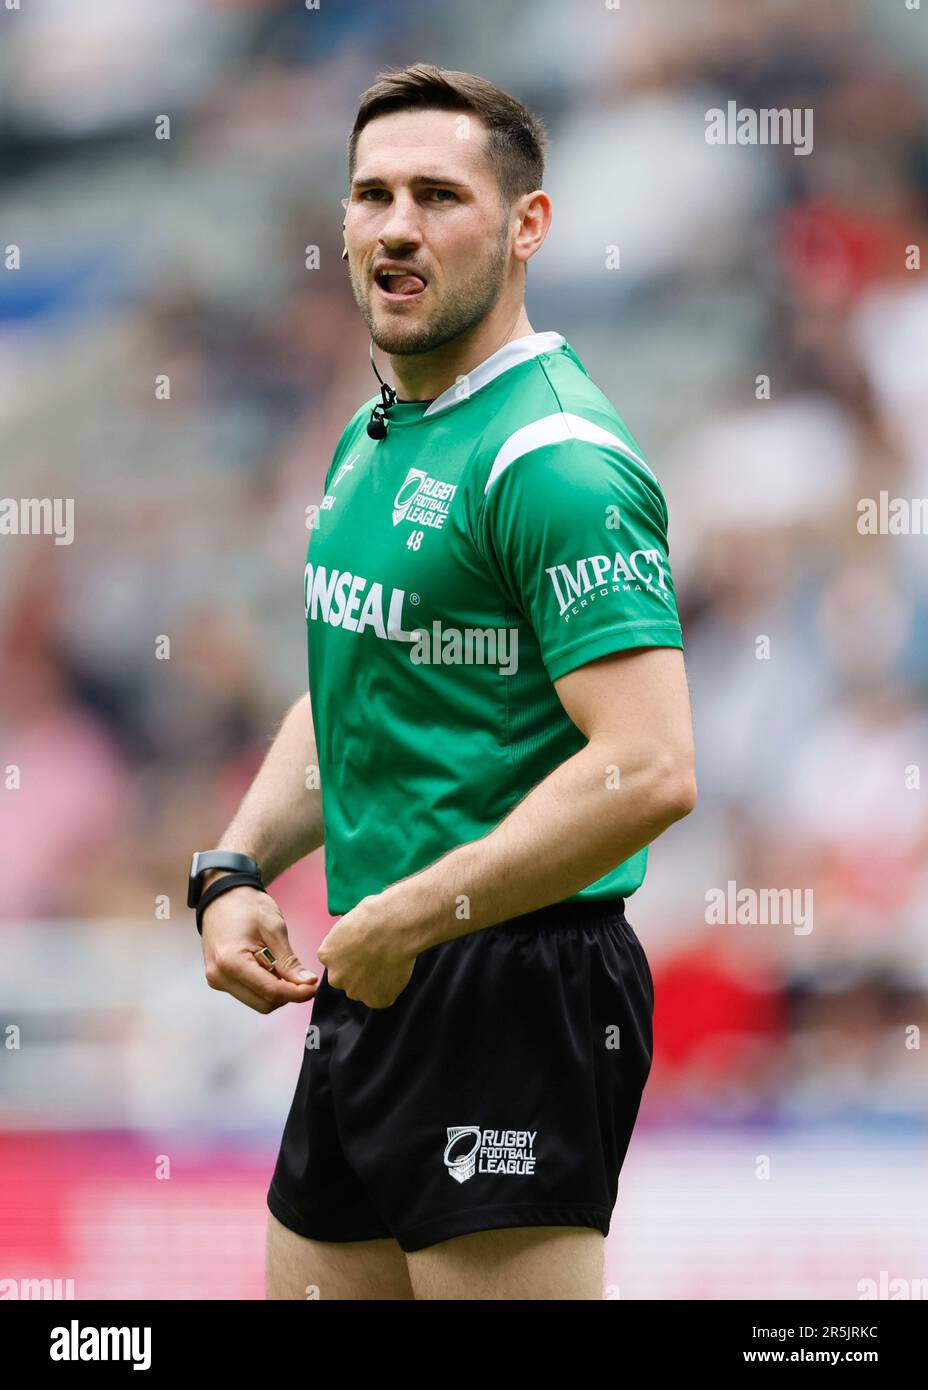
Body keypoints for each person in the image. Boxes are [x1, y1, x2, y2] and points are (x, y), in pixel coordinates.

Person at [194, 63, 697, 1301]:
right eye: (372, 196)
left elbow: (648, 767)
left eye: (438, 194)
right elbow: (354, 691)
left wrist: (420, 912)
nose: (397, 227)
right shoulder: (375, 432)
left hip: (516, 979)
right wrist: (233, 864)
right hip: (376, 975)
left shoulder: (555, 460)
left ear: (526, 225)